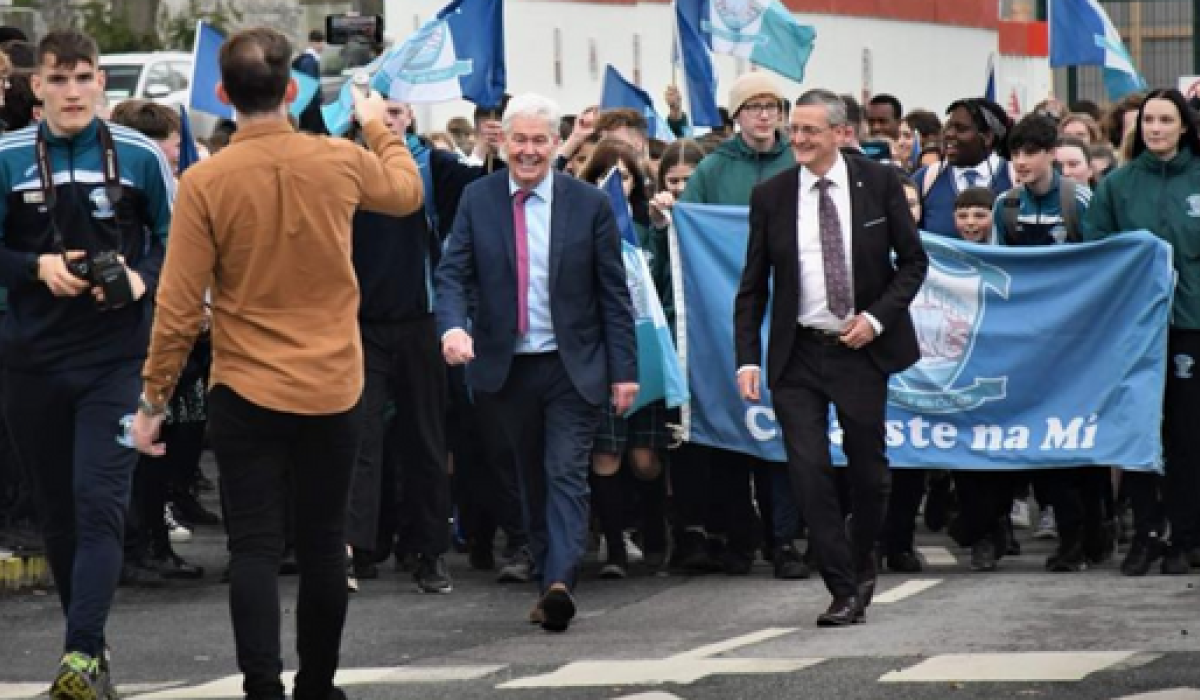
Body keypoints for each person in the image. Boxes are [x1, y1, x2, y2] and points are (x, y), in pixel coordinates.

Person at [130, 27, 423, 700]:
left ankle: (262, 685)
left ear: (225, 95)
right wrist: (378, 127)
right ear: (292, 90)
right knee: (323, 543)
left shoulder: (205, 181)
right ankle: (317, 686)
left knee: (254, 547)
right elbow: (406, 194)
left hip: (246, 386)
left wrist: (152, 404)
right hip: (333, 384)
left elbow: (178, 310)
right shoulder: (339, 161)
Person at [0, 28, 174, 697]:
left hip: (116, 362)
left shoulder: (135, 153)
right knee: (58, 512)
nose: (72, 92)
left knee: (99, 500)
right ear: (35, 86)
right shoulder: (11, 155)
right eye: (58, 79)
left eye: (83, 78)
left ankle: (75, 655)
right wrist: (35, 266)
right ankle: (91, 656)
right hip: (32, 364)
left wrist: (140, 278)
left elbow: (177, 240)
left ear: (103, 82)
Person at [435, 93, 637, 633]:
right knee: (529, 478)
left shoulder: (587, 205)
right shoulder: (478, 200)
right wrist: (454, 328)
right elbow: (452, 273)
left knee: (565, 472)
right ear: (503, 142)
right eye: (518, 140)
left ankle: (559, 582)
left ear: (556, 144)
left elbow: (613, 295)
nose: (528, 151)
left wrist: (624, 371)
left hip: (573, 366)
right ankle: (550, 570)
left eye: (539, 141)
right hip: (507, 367)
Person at [736, 88, 927, 627]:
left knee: (869, 475)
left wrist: (876, 319)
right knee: (808, 471)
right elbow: (752, 287)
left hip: (859, 350)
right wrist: (746, 358)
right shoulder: (771, 195)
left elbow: (913, 263)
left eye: (809, 131)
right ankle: (843, 588)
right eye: (794, 129)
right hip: (798, 354)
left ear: (842, 134)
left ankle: (859, 551)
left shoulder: (880, 183)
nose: (797, 139)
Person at [1085, 88, 1200, 577]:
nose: (1155, 128)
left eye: (1165, 120)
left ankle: (1186, 537)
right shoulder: (1118, 185)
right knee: (1136, 433)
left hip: (1191, 326)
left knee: (1187, 435)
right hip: (1134, 331)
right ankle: (1146, 533)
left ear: (1184, 126)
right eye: (1148, 120)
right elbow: (1095, 249)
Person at [292, 30, 325, 135]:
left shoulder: (306, 59)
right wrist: (318, 98)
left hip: (306, 106)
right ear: (312, 43)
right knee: (312, 134)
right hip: (310, 107)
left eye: (322, 42)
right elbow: (309, 85)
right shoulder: (309, 62)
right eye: (319, 42)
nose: (322, 46)